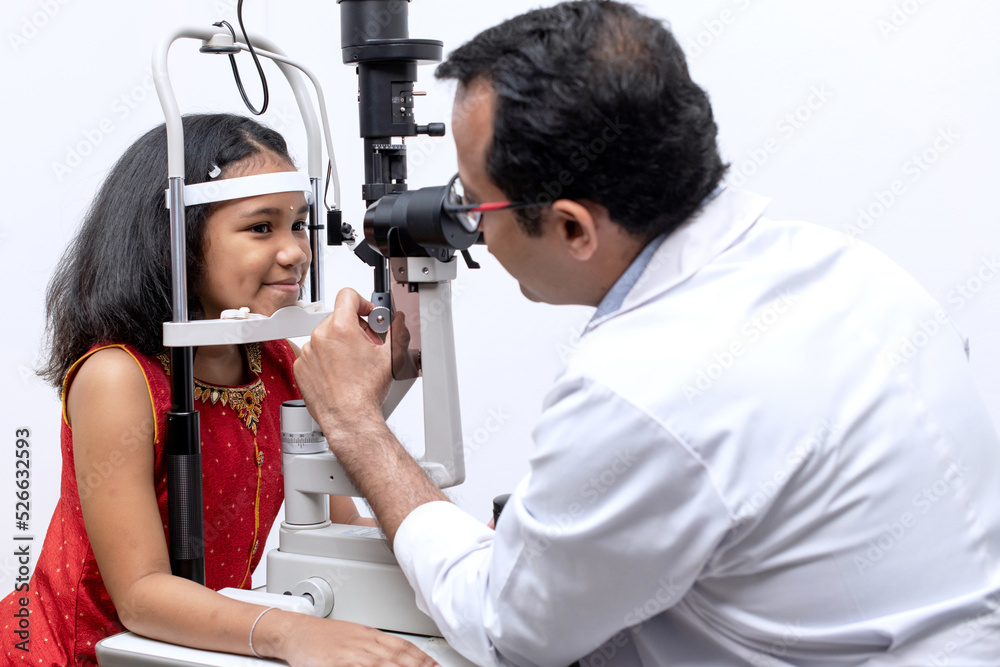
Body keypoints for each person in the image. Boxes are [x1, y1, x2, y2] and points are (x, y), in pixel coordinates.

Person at [293, 1, 1000, 666]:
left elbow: (509, 629)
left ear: (573, 228)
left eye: (474, 206)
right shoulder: (853, 269)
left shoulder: (642, 388)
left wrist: (357, 425)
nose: (467, 224)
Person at [0, 113, 434, 667]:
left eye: (298, 224)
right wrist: (293, 634)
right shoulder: (118, 378)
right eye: (261, 228)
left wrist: (447, 550)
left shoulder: (276, 359)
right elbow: (140, 594)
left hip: (204, 646)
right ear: (174, 243)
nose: (295, 251)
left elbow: (337, 525)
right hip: (76, 653)